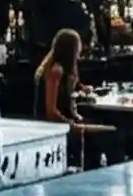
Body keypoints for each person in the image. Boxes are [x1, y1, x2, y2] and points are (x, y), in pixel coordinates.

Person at [34, 29, 121, 169]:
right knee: (111, 134)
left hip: (69, 118)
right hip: (57, 124)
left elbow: (69, 86)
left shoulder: (67, 69)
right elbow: (50, 111)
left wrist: (81, 87)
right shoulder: (56, 71)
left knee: (104, 128)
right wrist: (71, 124)